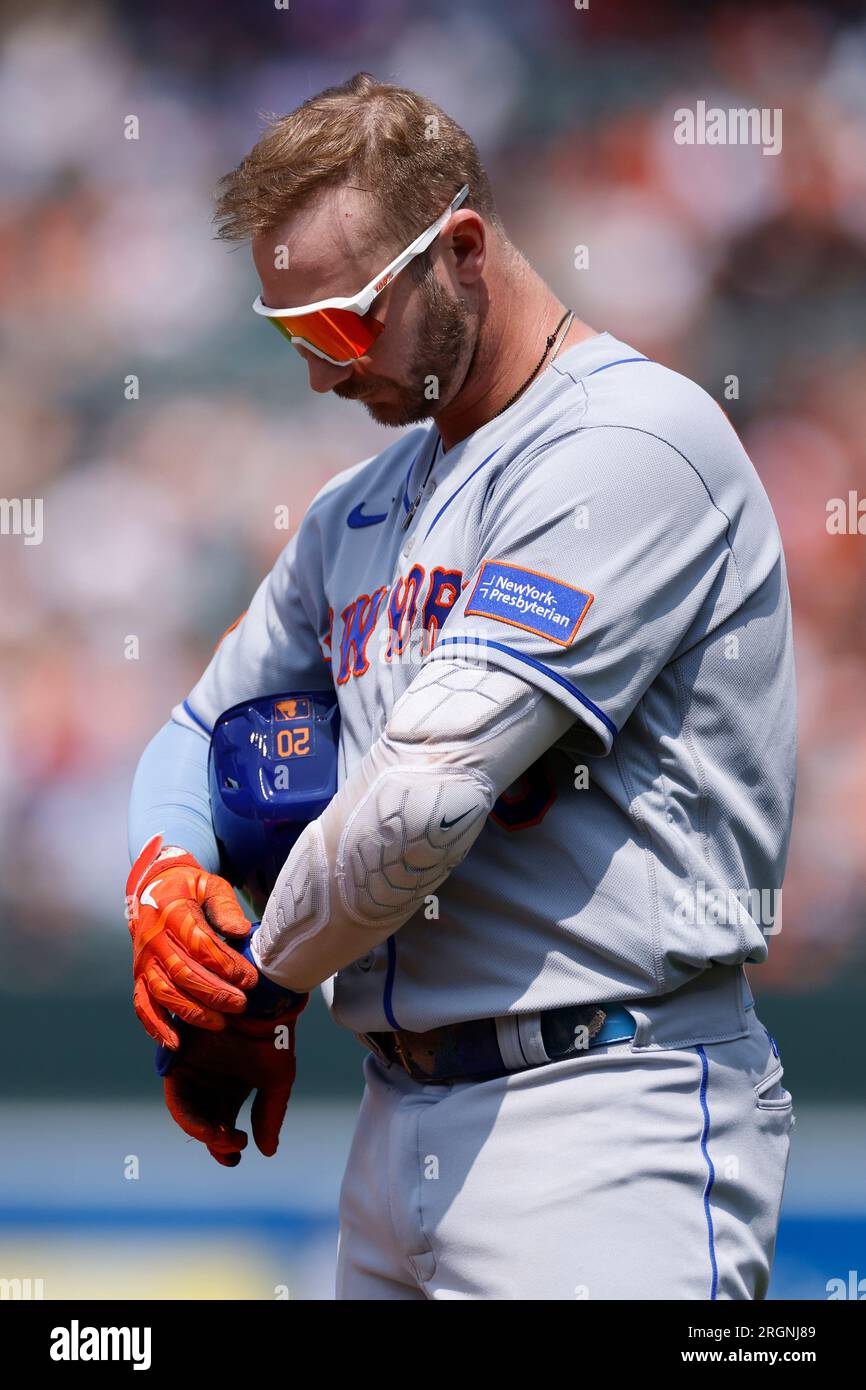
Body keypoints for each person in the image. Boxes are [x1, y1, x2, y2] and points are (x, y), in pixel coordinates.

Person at [127, 72, 796, 1300]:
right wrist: (165, 890)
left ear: (463, 249)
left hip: (605, 1116)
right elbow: (192, 729)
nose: (319, 377)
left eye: (339, 325)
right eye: (290, 336)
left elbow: (422, 804)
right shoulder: (358, 510)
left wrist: (247, 993)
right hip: (395, 1121)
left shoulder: (627, 443)